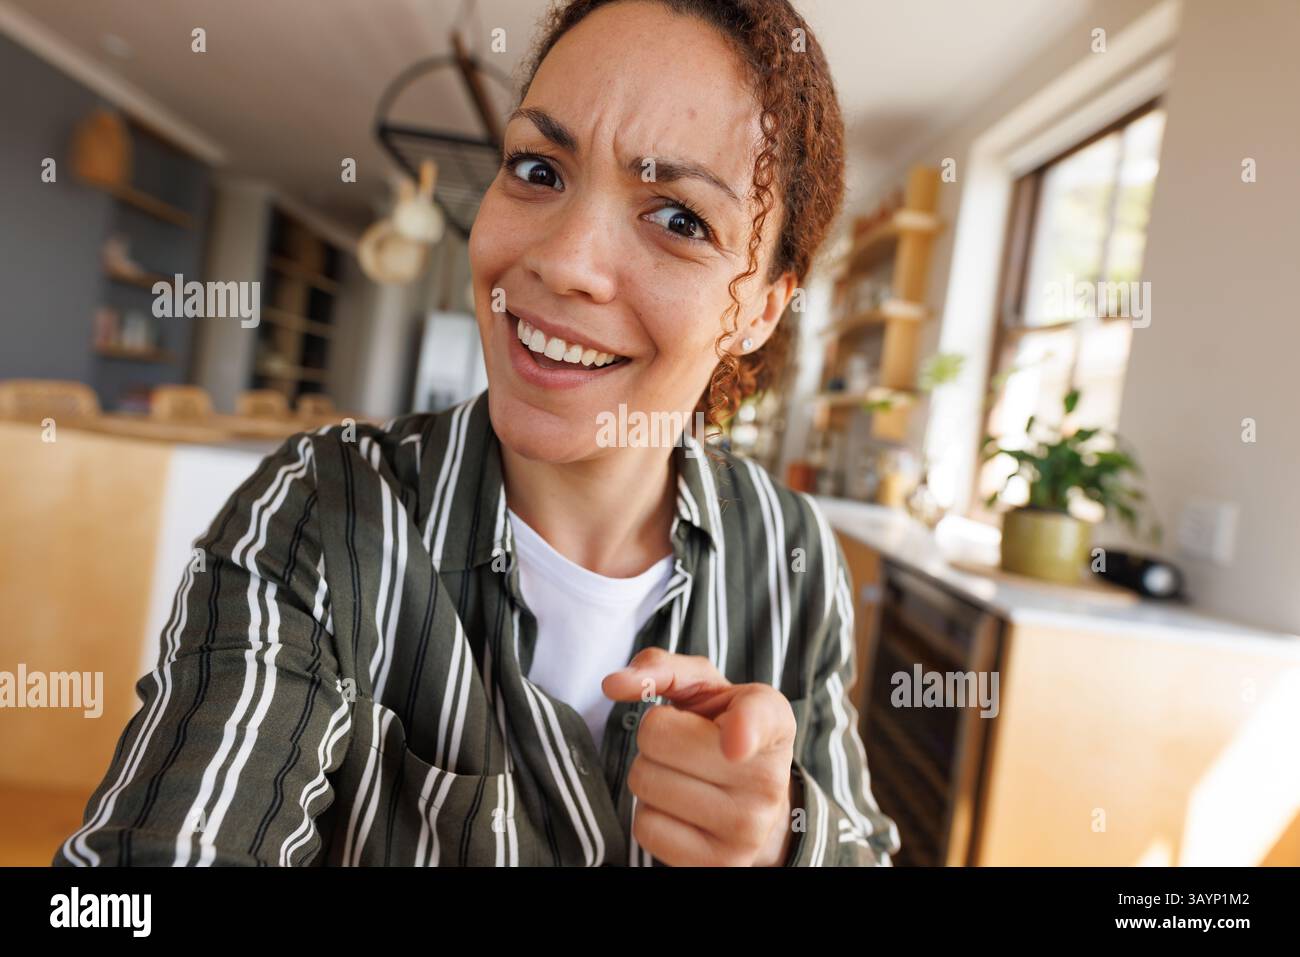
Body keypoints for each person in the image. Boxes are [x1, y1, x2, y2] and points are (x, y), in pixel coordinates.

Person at [55, 0, 900, 867]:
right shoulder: (325, 512)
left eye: (679, 218)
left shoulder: (792, 555)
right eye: (538, 169)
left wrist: (784, 837)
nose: (565, 260)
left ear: (762, 308)